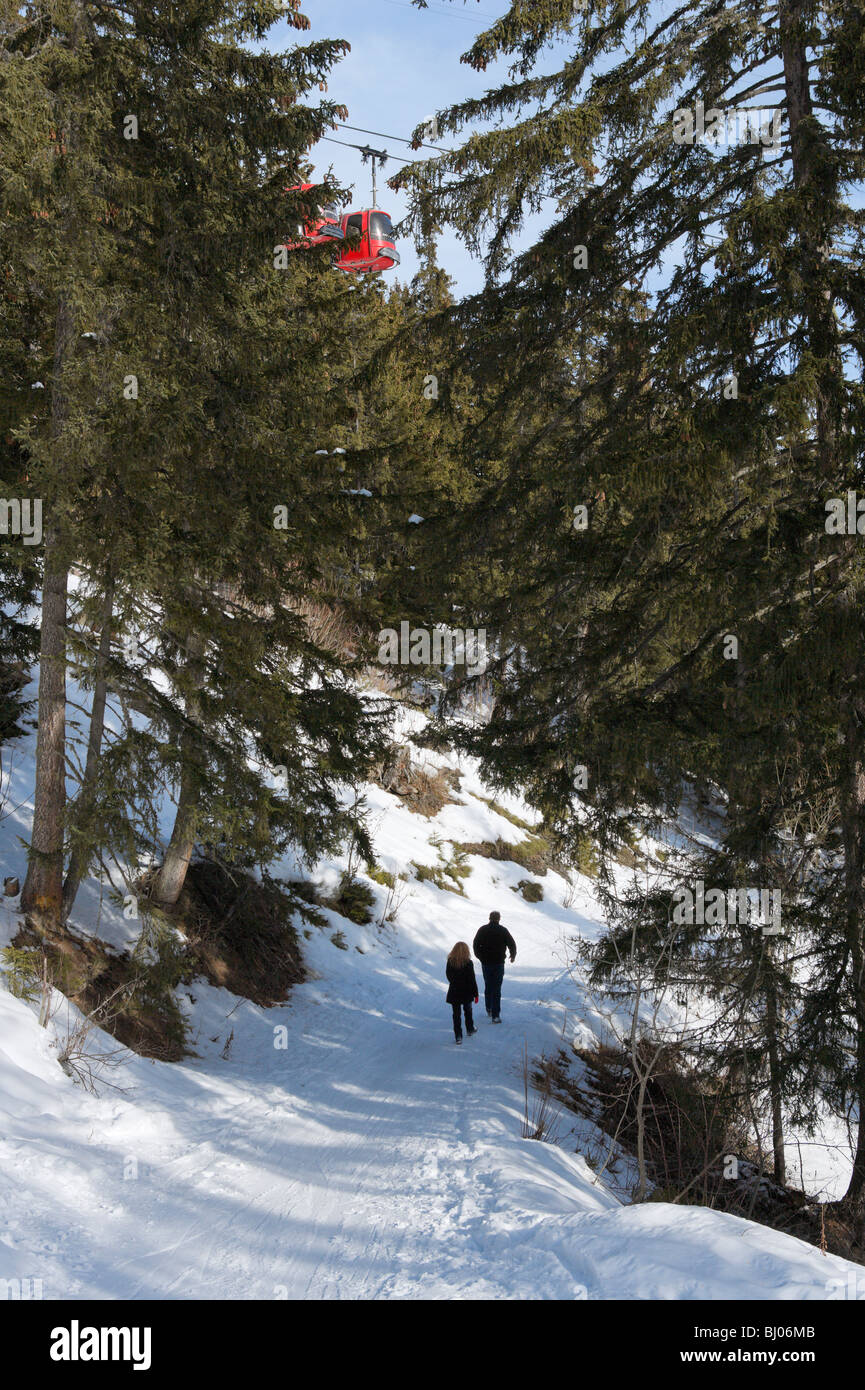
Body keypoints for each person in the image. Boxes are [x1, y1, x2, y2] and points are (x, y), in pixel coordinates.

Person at [472, 910, 516, 1023]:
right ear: (499, 919)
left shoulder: (482, 930)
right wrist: (512, 955)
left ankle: (489, 1008)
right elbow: (512, 943)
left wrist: (480, 957)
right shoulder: (503, 930)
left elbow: (475, 945)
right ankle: (495, 1015)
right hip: (499, 963)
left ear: (489, 918)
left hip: (486, 963)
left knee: (488, 985)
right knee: (496, 988)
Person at [445, 941, 479, 1045]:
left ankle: (458, 1036)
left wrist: (455, 983)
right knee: (468, 1011)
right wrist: (475, 993)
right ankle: (470, 1028)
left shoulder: (450, 962)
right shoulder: (468, 963)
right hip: (467, 992)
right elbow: (472, 979)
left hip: (454, 991)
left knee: (456, 1015)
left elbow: (448, 976)